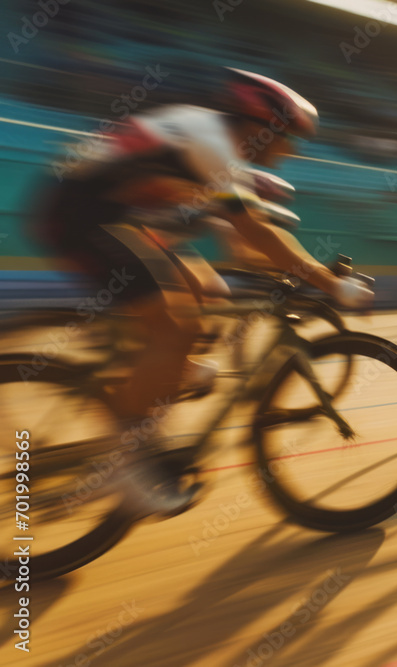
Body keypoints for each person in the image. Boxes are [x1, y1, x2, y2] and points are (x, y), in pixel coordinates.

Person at [32, 68, 371, 515]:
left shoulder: (205, 134)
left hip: (107, 213)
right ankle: (123, 463)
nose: (291, 150)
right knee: (176, 327)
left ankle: (162, 371)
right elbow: (256, 231)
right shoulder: (213, 146)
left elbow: (246, 240)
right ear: (260, 128)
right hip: (83, 216)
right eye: (289, 137)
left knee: (203, 288)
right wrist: (332, 285)